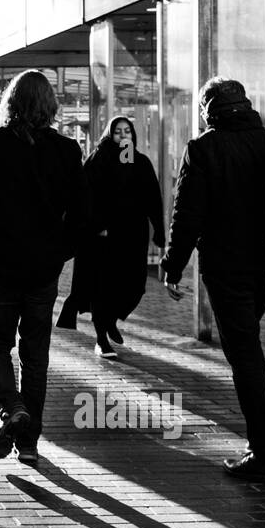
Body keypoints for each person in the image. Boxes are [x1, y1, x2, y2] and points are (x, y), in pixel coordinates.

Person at [0, 69, 91, 464]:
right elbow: (81, 215)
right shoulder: (67, 152)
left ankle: (11, 409)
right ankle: (29, 441)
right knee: (36, 354)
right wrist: (60, 251)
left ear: (10, 104)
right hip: (42, 270)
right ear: (49, 106)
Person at [160, 78, 265, 484]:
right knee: (247, 344)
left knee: (245, 353)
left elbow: (188, 215)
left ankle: (263, 451)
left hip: (227, 267)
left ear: (208, 111)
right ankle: (263, 446)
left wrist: (172, 265)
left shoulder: (204, 149)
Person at [60, 116, 165, 358]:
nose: (122, 135)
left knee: (134, 285)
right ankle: (101, 338)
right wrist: (96, 226)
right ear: (110, 134)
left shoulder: (141, 162)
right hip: (103, 238)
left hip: (133, 236)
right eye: (117, 131)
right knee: (102, 287)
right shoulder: (98, 159)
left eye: (127, 131)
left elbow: (153, 200)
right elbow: (83, 197)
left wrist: (159, 230)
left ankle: (110, 320)